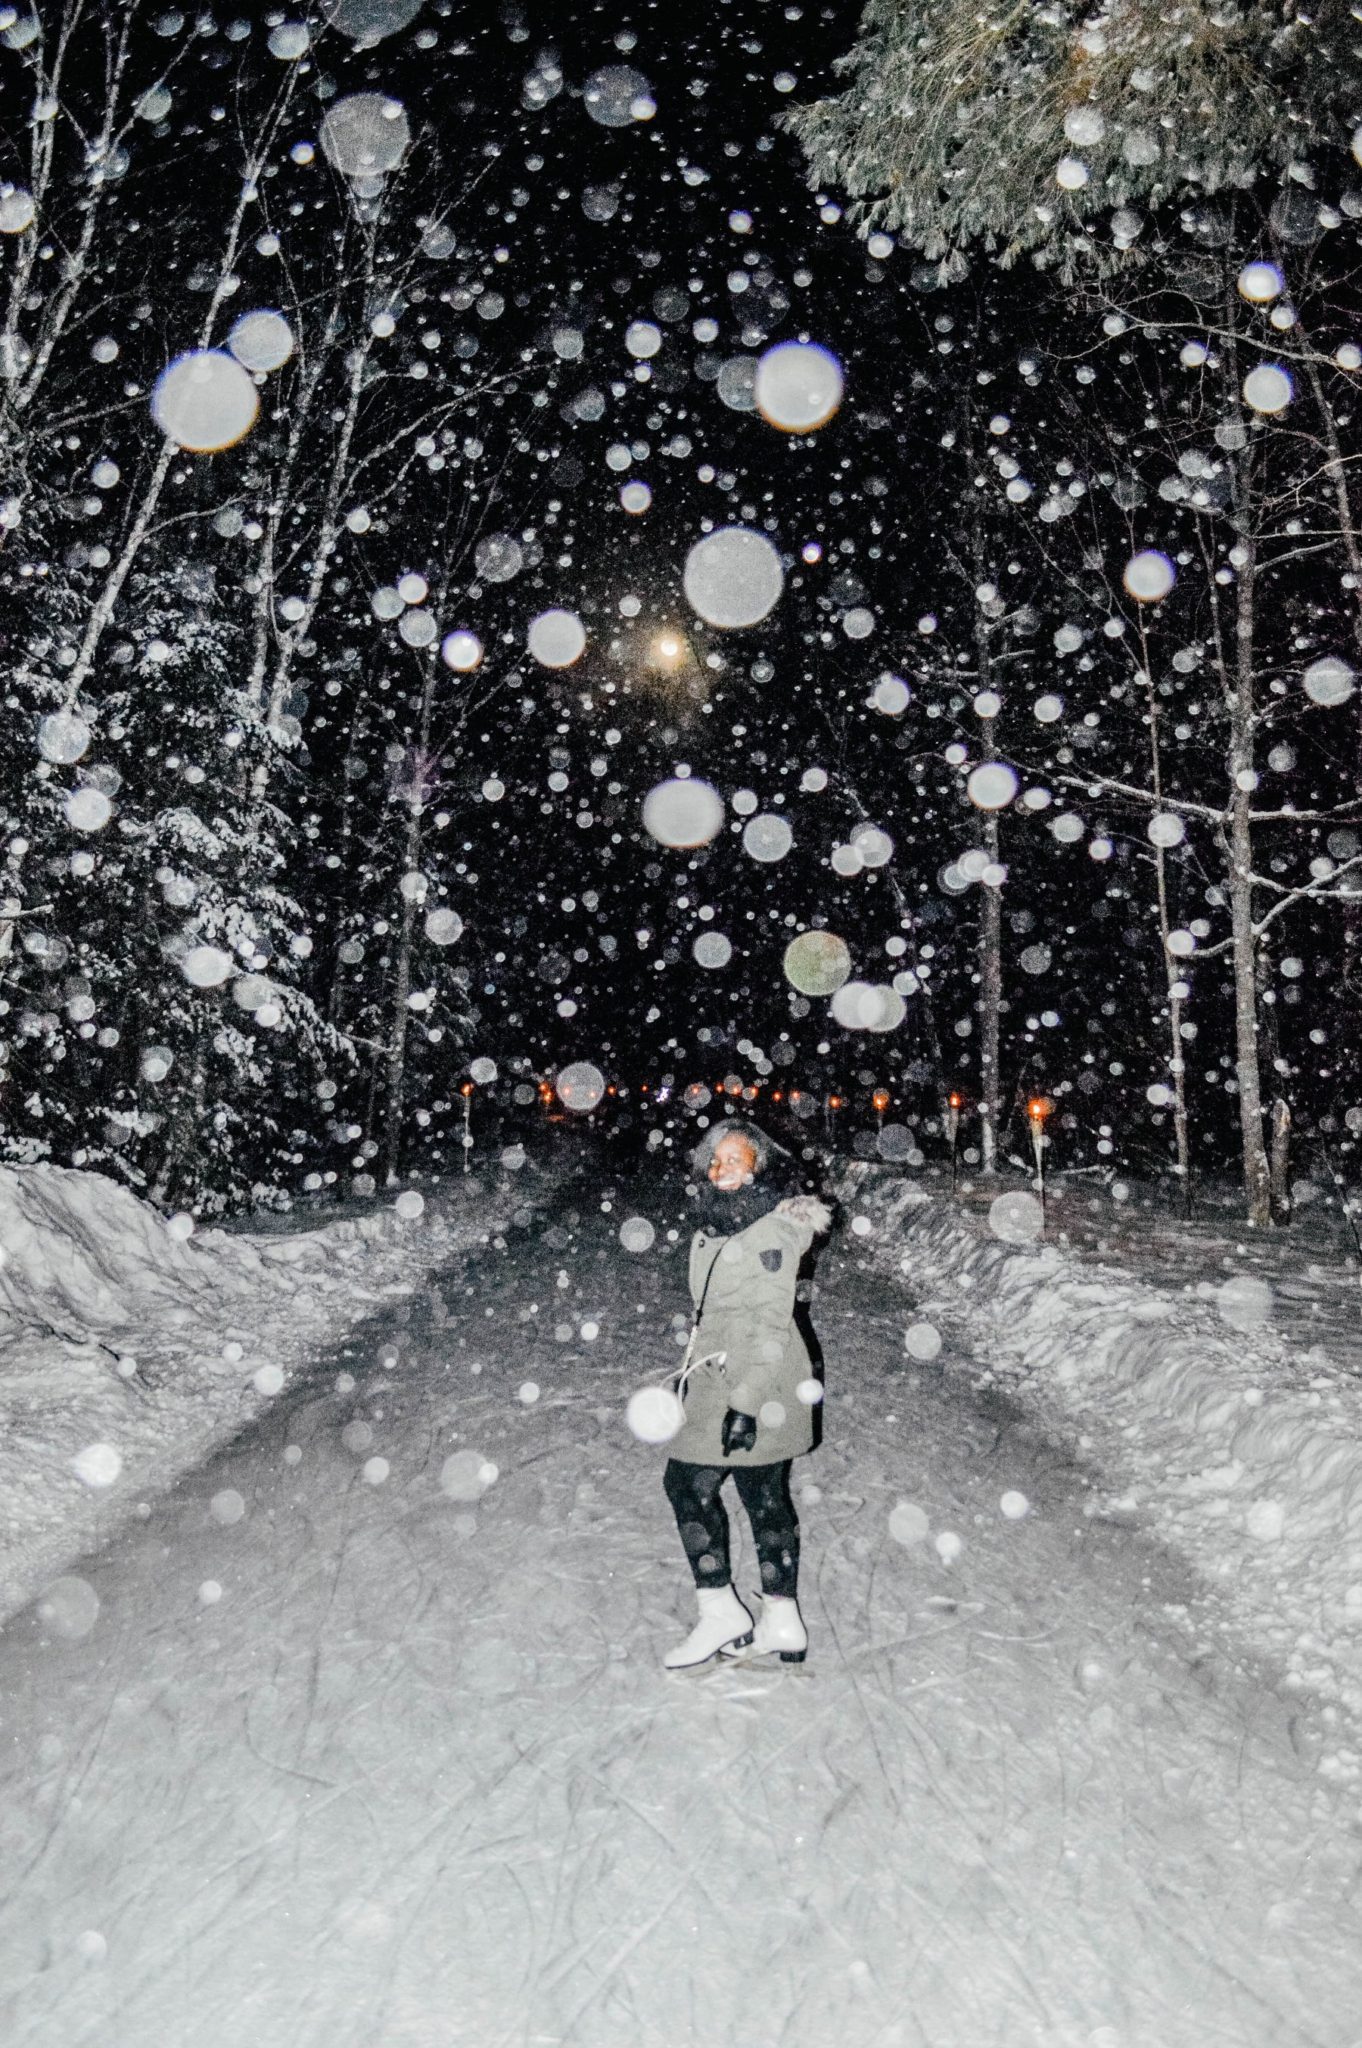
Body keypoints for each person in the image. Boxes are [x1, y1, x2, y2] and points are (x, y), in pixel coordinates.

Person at [661, 1122, 831, 1671]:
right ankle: (781, 1620)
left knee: (687, 1483)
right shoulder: (722, 1222)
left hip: (757, 1378)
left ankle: (721, 1613)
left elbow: (768, 1323)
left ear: (759, 1164)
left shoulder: (770, 1230)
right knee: (763, 1494)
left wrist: (747, 1403)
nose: (721, 1168)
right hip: (728, 1373)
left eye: (734, 1158)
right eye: (714, 1160)